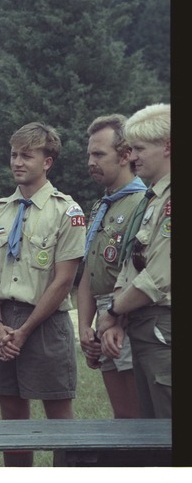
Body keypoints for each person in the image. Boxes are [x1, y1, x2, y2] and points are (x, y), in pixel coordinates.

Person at [0, 121, 85, 467]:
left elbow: (63, 280)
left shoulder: (66, 211)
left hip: (45, 322)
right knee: (11, 417)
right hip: (3, 321)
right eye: (13, 154)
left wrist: (25, 331)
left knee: (58, 413)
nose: (17, 162)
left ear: (47, 161)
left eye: (27, 155)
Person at [95, 103, 171, 419]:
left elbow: (159, 276)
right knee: (150, 428)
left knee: (168, 428)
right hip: (142, 324)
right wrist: (118, 320)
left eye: (140, 148)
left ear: (168, 147)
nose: (134, 156)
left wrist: (112, 311)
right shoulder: (154, 199)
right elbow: (133, 263)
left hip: (163, 328)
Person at [76, 114, 145, 419]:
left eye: (99, 154)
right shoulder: (101, 206)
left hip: (129, 314)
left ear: (126, 155)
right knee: (123, 418)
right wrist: (84, 329)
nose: (91, 162)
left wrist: (115, 318)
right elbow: (89, 273)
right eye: (89, 154)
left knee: (141, 416)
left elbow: (141, 272)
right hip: (105, 315)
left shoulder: (143, 202)